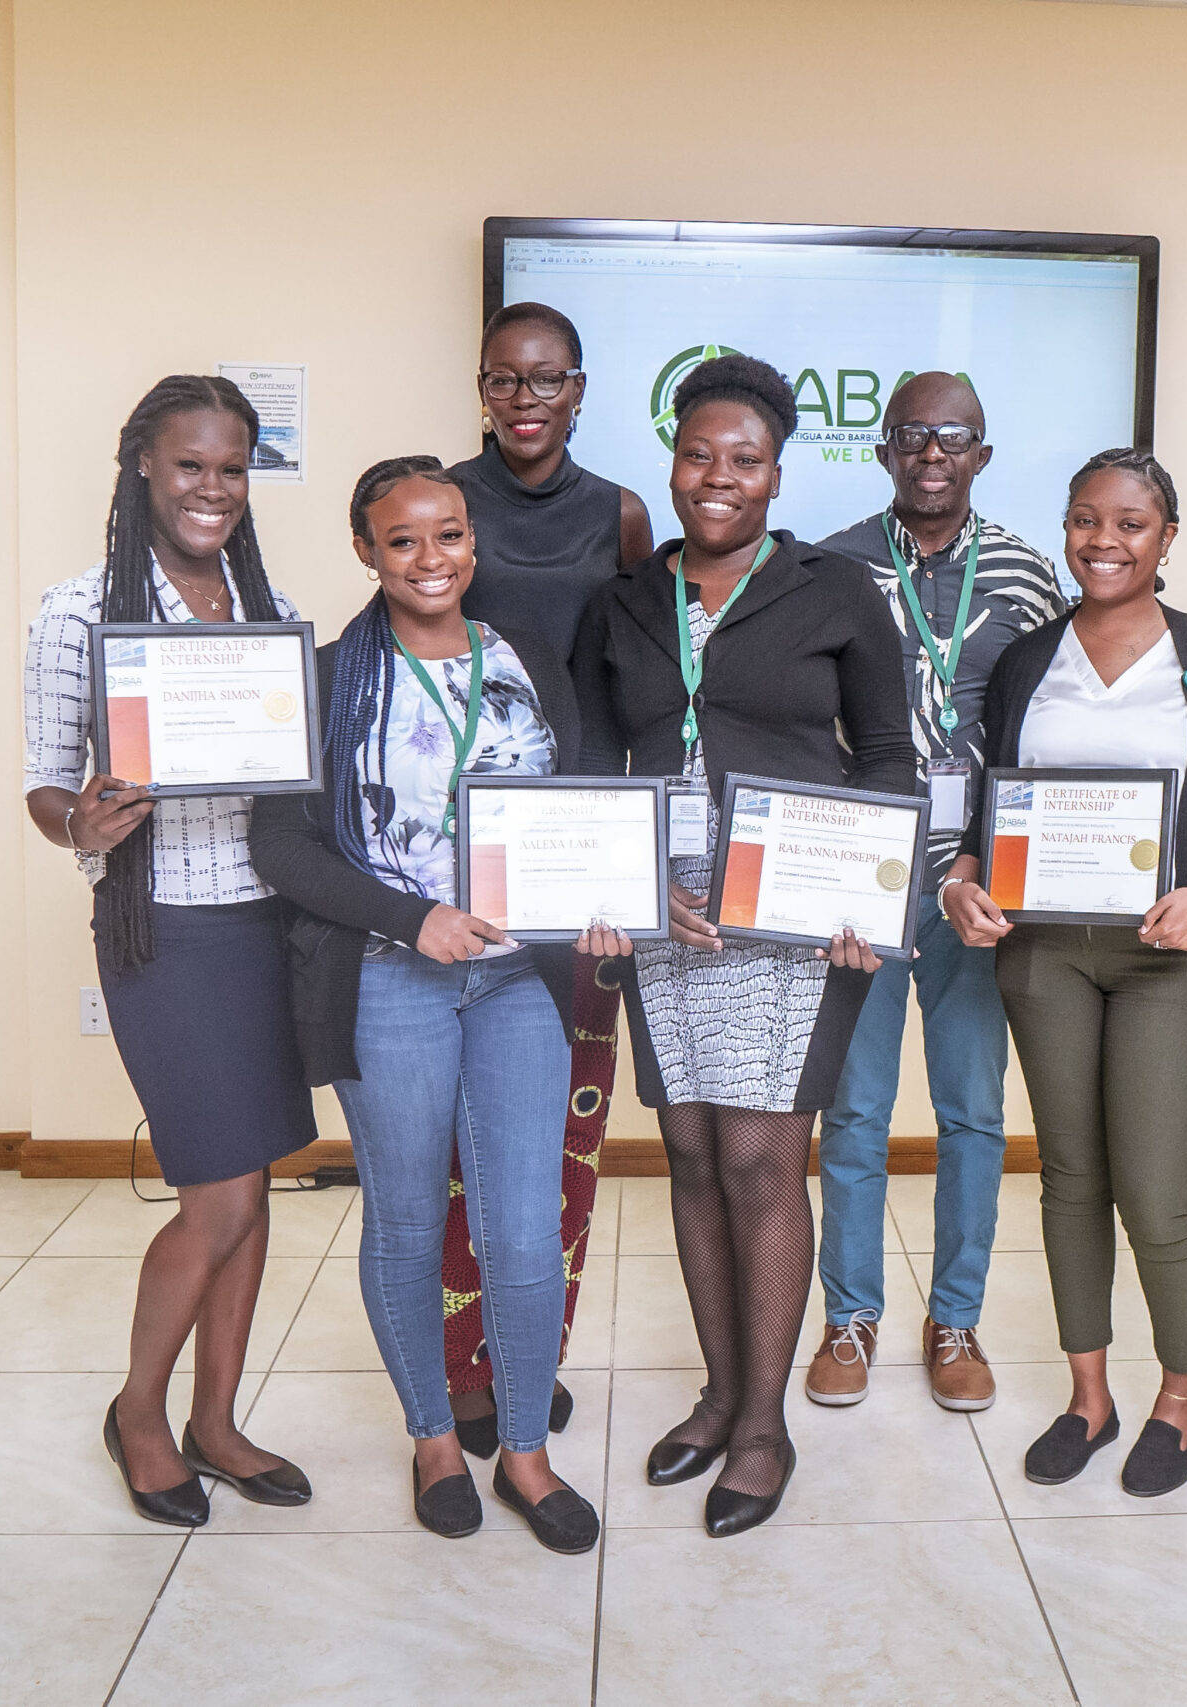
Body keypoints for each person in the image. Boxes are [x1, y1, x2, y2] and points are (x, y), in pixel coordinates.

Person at [571, 353, 919, 1535]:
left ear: (778, 472)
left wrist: (867, 905)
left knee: (766, 1161)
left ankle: (764, 1431)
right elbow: (590, 764)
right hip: (666, 920)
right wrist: (619, 886)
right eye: (698, 454)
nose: (717, 478)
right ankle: (721, 1398)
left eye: (745, 460)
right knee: (690, 1157)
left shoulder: (834, 589)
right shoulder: (621, 598)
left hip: (793, 918)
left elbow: (886, 758)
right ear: (671, 459)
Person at [248, 456, 607, 1551]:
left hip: (516, 979)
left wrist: (598, 896)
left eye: (447, 534)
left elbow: (574, 805)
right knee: (407, 1217)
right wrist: (412, 922)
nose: (430, 558)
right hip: (388, 976)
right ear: (366, 551)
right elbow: (278, 844)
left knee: (524, 1229)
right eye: (402, 540)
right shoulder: (325, 678)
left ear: (471, 541)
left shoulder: (526, 658)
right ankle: (433, 1440)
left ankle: (528, 1461)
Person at [941, 449, 1187, 1497]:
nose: (1103, 541)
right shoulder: (1027, 660)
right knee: (1070, 1177)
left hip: (1163, 954)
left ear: (1168, 537)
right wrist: (960, 878)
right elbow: (987, 802)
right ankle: (1090, 1397)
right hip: (1041, 951)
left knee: (1154, 1185)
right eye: (1085, 520)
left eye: (1130, 523)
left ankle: (1180, 1396)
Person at [22, 374, 315, 1528]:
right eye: (189, 464)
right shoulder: (76, 607)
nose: (211, 489)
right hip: (163, 930)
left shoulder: (265, 601)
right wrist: (78, 823)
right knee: (218, 1197)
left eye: (231, 467)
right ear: (140, 460)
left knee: (254, 1191)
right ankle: (140, 1413)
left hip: (267, 921)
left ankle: (218, 1420)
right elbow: (46, 784)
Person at [805, 373, 1068, 1413]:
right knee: (855, 1111)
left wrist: (1003, 864)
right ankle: (850, 1319)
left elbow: (1041, 736)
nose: (930, 452)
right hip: (861, 881)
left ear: (982, 456)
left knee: (971, 1113)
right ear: (880, 449)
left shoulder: (1029, 574)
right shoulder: (825, 568)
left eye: (952, 436)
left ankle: (955, 1316)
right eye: (911, 434)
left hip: (977, 887)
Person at [432, 302, 657, 1457]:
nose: (525, 400)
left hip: (575, 866)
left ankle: (530, 1353)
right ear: (482, 389)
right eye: (504, 381)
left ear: (580, 388)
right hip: (454, 861)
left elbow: (620, 688)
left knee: (566, 1128)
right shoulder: (442, 505)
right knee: (461, 1134)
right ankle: (456, 1366)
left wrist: (624, 865)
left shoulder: (621, 513)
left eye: (547, 380)